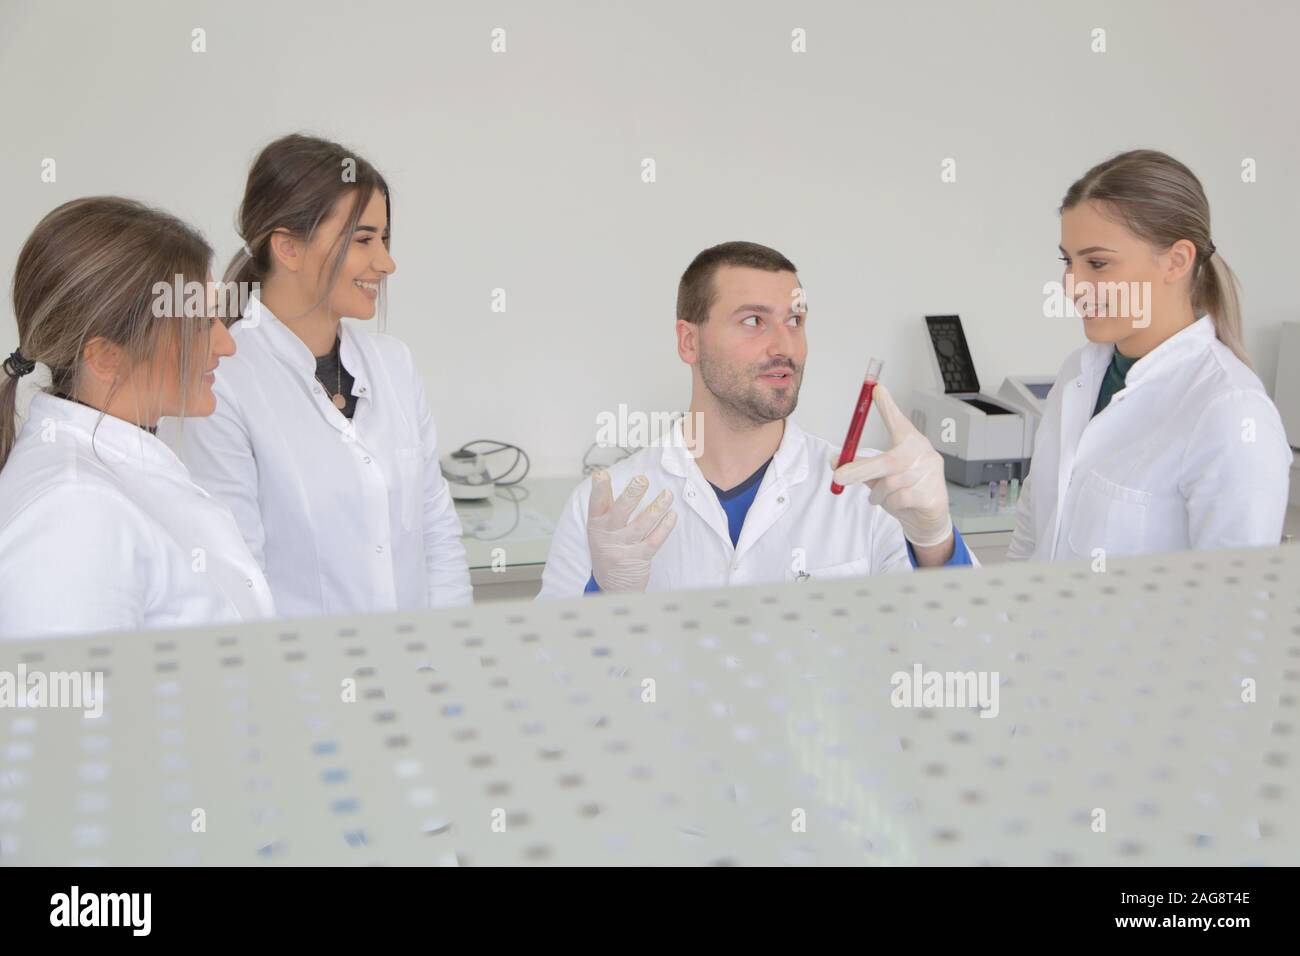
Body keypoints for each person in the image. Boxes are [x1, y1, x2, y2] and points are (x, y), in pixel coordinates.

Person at [539, 240, 975, 598]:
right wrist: (604, 595)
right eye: (753, 321)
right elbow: (554, 692)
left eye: (795, 320)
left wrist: (936, 542)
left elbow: (968, 665)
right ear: (689, 342)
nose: (784, 346)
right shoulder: (604, 509)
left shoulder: (874, 496)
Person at [158, 134, 471, 617]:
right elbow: (237, 581)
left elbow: (437, 533)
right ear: (288, 248)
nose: (386, 263)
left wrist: (452, 660)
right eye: (363, 239)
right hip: (303, 683)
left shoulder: (394, 366)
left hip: (420, 673)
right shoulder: (220, 383)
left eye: (384, 239)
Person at [0, 197, 274, 639]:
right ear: (107, 357)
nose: (227, 345)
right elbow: (65, 706)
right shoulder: (73, 514)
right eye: (201, 325)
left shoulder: (113, 474)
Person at [1008, 150, 1292, 562]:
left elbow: (1233, 611)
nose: (1072, 285)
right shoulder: (1078, 373)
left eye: (1098, 263)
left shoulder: (1230, 413)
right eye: (1068, 262)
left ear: (1176, 261)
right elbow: (1031, 539)